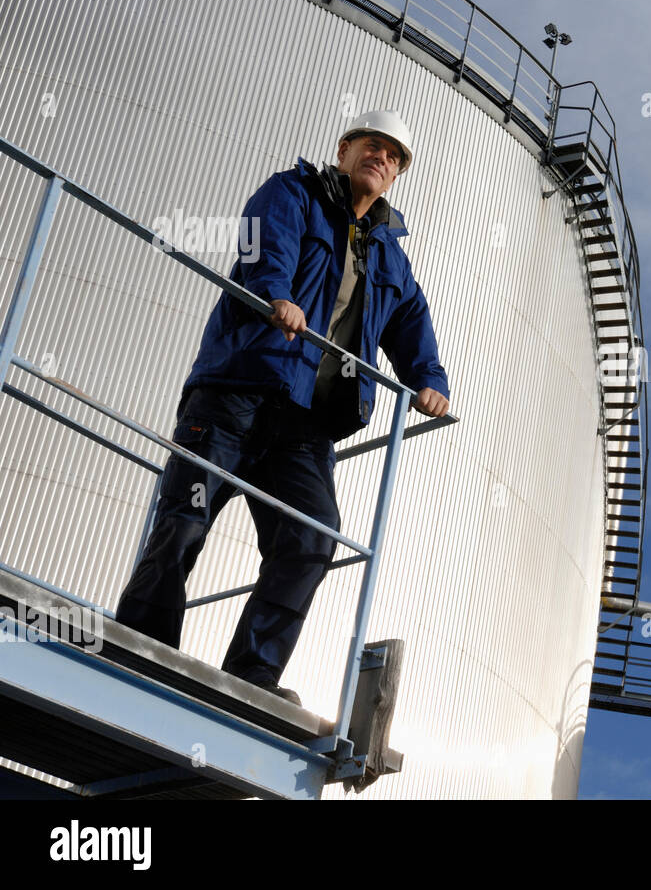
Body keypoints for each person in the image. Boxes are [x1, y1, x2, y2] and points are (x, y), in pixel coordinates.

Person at [115, 110, 450, 706]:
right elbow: (264, 246)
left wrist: (428, 380)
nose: (382, 159)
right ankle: (142, 643)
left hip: (304, 424)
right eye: (372, 146)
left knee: (311, 539)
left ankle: (251, 675)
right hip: (237, 392)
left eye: (394, 156)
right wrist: (278, 294)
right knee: (184, 522)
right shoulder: (292, 192)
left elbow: (410, 325)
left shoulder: (390, 257)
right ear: (345, 149)